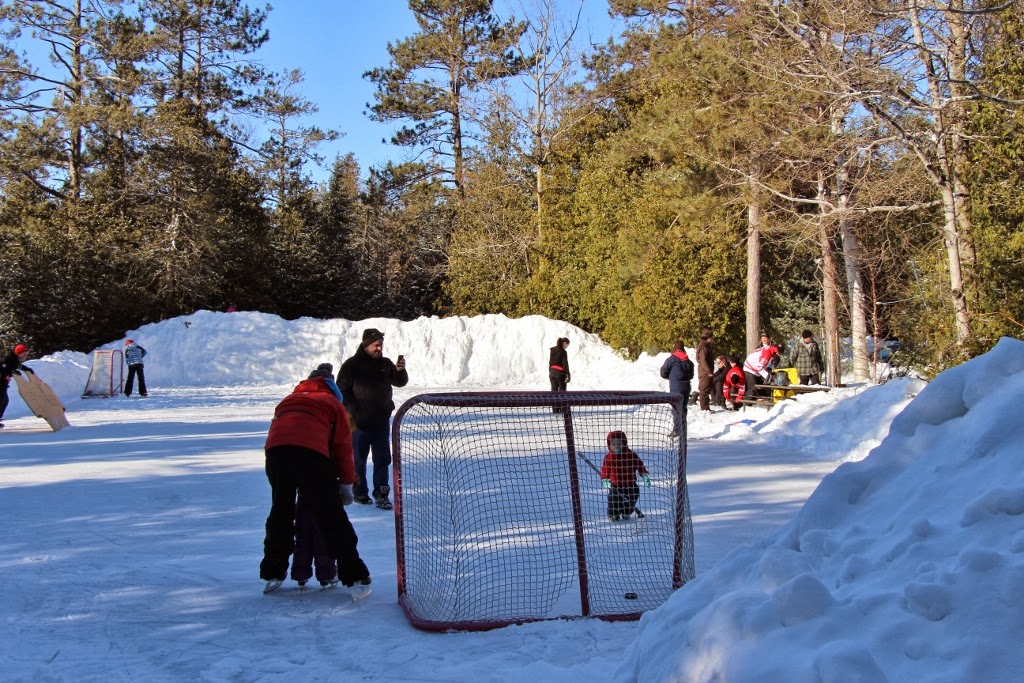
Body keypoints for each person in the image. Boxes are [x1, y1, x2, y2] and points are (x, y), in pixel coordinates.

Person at [260, 370, 371, 599]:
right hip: (309, 456)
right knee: (331, 515)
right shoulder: (332, 402)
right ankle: (354, 575)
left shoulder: (289, 400)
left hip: (276, 455)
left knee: (281, 511)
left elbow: (279, 435)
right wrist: (347, 485)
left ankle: (273, 570)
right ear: (333, 391)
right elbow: (342, 447)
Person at [338, 328, 408, 510]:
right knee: (358, 459)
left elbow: (399, 382)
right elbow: (341, 391)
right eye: (376, 345)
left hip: (381, 422)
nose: (379, 348)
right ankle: (359, 492)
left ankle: (382, 494)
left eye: (381, 345)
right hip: (359, 423)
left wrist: (400, 371)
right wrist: (354, 412)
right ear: (366, 345)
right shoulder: (351, 365)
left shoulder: (384, 363)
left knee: (382, 459)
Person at [600, 430, 650, 522]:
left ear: (624, 443)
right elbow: (605, 469)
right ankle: (613, 515)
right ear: (609, 445)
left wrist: (644, 475)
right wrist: (605, 479)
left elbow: (639, 465)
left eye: (619, 444)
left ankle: (627, 512)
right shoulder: (609, 457)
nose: (616, 447)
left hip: (630, 484)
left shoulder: (631, 455)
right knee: (614, 500)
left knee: (634, 494)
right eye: (613, 445)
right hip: (615, 485)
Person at [659, 340, 694, 436]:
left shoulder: (671, 359)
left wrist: (670, 377)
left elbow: (663, 372)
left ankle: (677, 430)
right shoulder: (688, 361)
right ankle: (683, 430)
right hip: (686, 386)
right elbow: (691, 375)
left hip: (676, 387)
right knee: (683, 409)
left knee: (676, 408)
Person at [0, 343, 34, 428]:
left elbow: (17, 366)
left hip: (3, 385)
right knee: (1, 402)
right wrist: (11, 372)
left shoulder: (14, 360)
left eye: (27, 354)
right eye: (24, 354)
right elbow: (3, 369)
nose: (25, 356)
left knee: (4, 402)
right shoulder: (9, 359)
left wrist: (26, 368)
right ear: (19, 353)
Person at [548, 337, 571, 413]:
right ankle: (562, 408)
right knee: (562, 389)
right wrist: (567, 374)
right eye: (567, 345)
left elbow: (550, 362)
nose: (566, 347)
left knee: (554, 391)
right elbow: (565, 363)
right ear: (564, 343)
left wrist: (550, 371)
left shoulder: (553, 350)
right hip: (559, 373)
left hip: (552, 372)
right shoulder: (563, 352)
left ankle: (555, 409)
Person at [695, 329, 715, 411]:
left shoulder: (704, 346)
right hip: (705, 372)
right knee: (704, 390)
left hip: (704, 371)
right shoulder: (704, 347)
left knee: (705, 389)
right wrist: (709, 372)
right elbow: (703, 360)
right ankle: (704, 408)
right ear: (708, 338)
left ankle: (705, 407)